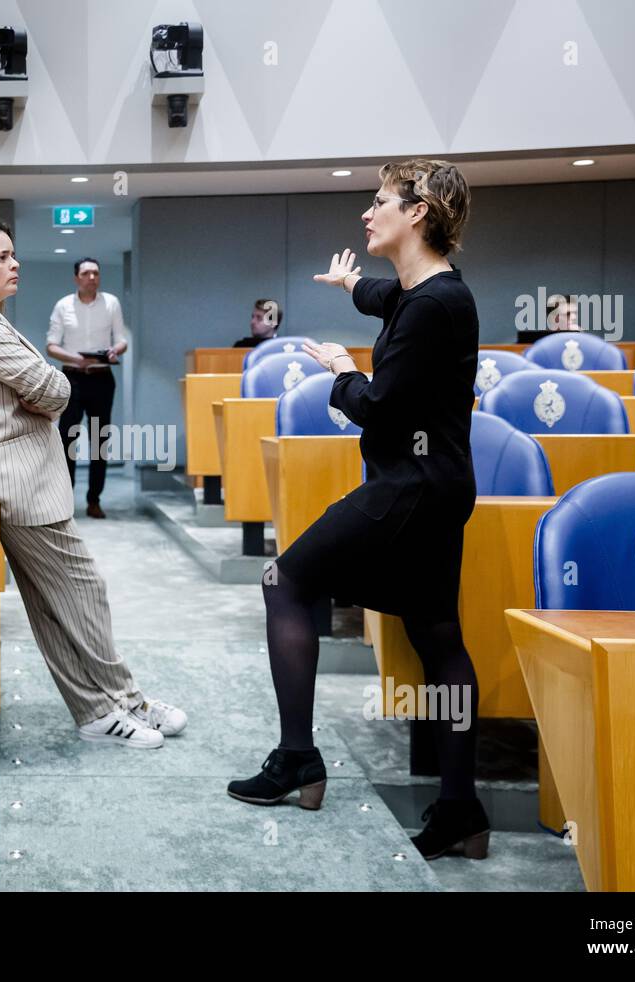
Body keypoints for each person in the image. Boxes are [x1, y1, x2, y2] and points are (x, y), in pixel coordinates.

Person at [226, 160, 489, 861]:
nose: (368, 214)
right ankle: (462, 812)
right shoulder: (427, 292)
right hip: (438, 482)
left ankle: (297, 761)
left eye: (380, 203)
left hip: (410, 485)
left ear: (419, 213)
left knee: (284, 581)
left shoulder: (431, 307)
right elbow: (384, 296)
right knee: (437, 636)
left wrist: (341, 371)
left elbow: (376, 403)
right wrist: (349, 285)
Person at [0, 220, 186, 747]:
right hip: (12, 482)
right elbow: (52, 387)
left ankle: (93, 712)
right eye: (1, 258)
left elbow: (40, 389)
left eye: (13, 255)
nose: (14, 264)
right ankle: (129, 701)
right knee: (84, 590)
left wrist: (40, 391)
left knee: (49, 604)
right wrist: (45, 390)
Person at [47, 257, 127, 519]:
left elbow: (121, 340)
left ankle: (94, 500)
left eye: (96, 273)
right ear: (76, 278)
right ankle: (66, 500)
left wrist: (115, 351)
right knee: (67, 439)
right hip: (72, 379)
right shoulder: (63, 306)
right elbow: (52, 345)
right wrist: (76, 359)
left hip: (102, 378)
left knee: (99, 442)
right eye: (86, 273)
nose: (92, 277)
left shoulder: (111, 303)